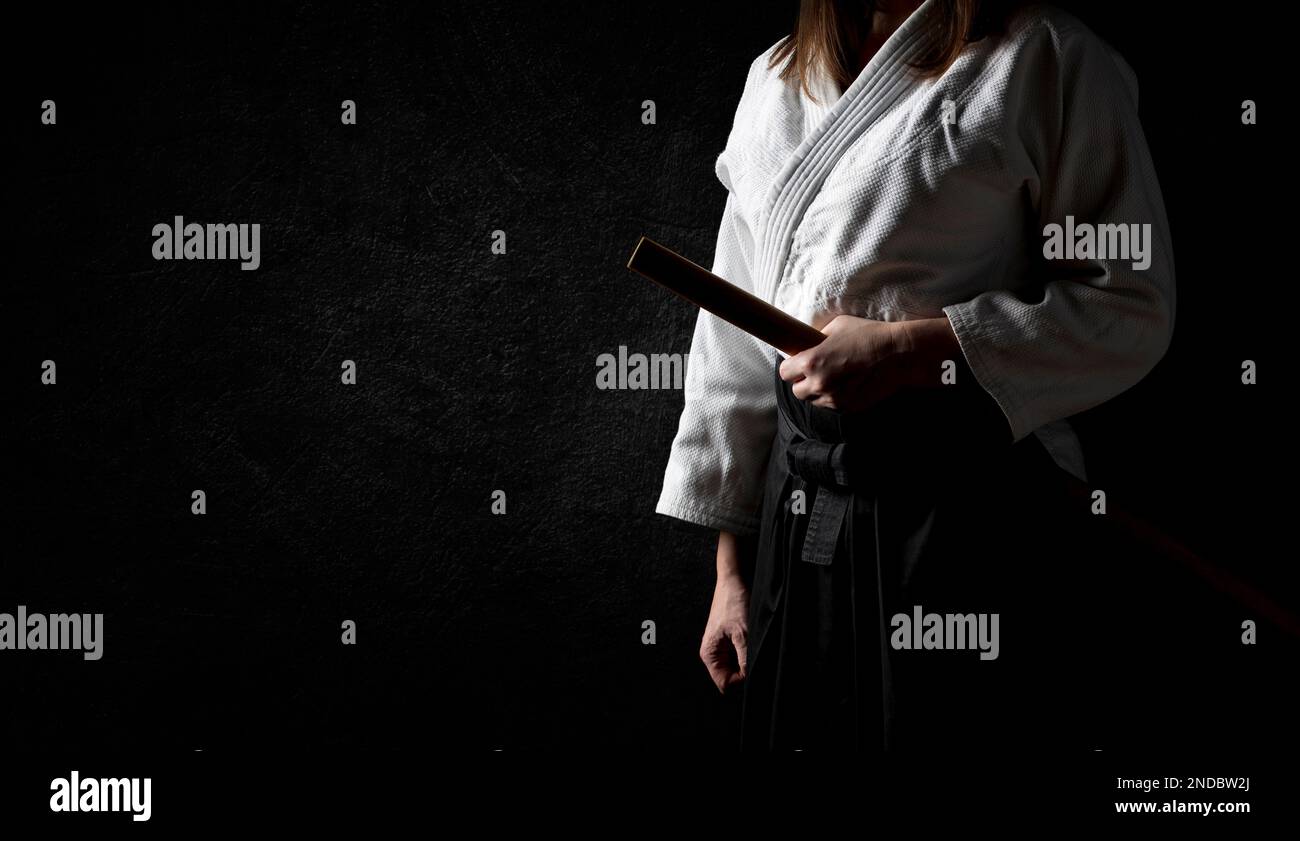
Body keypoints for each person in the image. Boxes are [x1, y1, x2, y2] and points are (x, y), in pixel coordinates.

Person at [656, 0, 1175, 750]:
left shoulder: (1046, 58)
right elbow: (733, 335)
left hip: (968, 508)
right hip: (798, 511)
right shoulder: (775, 78)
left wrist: (910, 349)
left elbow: (1129, 303)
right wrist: (730, 568)